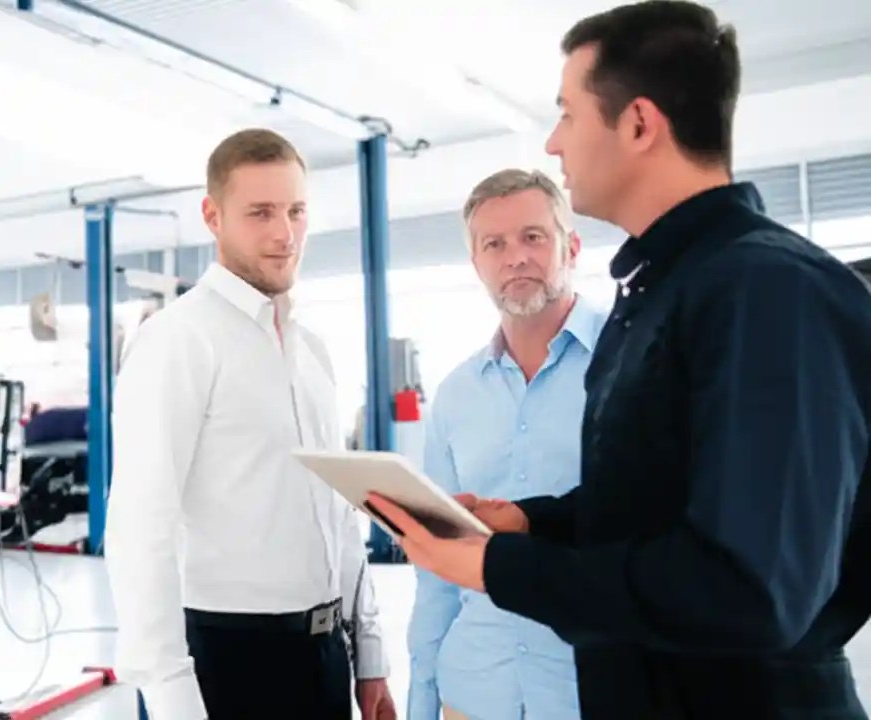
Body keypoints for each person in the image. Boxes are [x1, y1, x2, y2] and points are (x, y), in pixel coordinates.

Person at [369, 2, 871, 718]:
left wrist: (498, 566)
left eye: (568, 115)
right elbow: (661, 508)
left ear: (638, 124)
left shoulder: (768, 290)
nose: (552, 142)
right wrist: (533, 524)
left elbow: (749, 589)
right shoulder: (668, 289)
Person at [104, 128, 396, 720]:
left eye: (295, 211)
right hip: (228, 661)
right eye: (260, 212)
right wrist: (172, 697)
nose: (284, 233)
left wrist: (368, 654)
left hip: (323, 653)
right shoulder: (179, 339)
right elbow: (140, 525)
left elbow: (338, 516)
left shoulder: (312, 351)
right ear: (213, 216)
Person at [406, 169, 605, 720]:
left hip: (589, 694)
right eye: (494, 244)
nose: (515, 257)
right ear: (477, 264)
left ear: (572, 246)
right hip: (474, 695)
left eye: (533, 237)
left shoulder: (630, 362)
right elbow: (436, 573)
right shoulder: (456, 396)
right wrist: (422, 702)